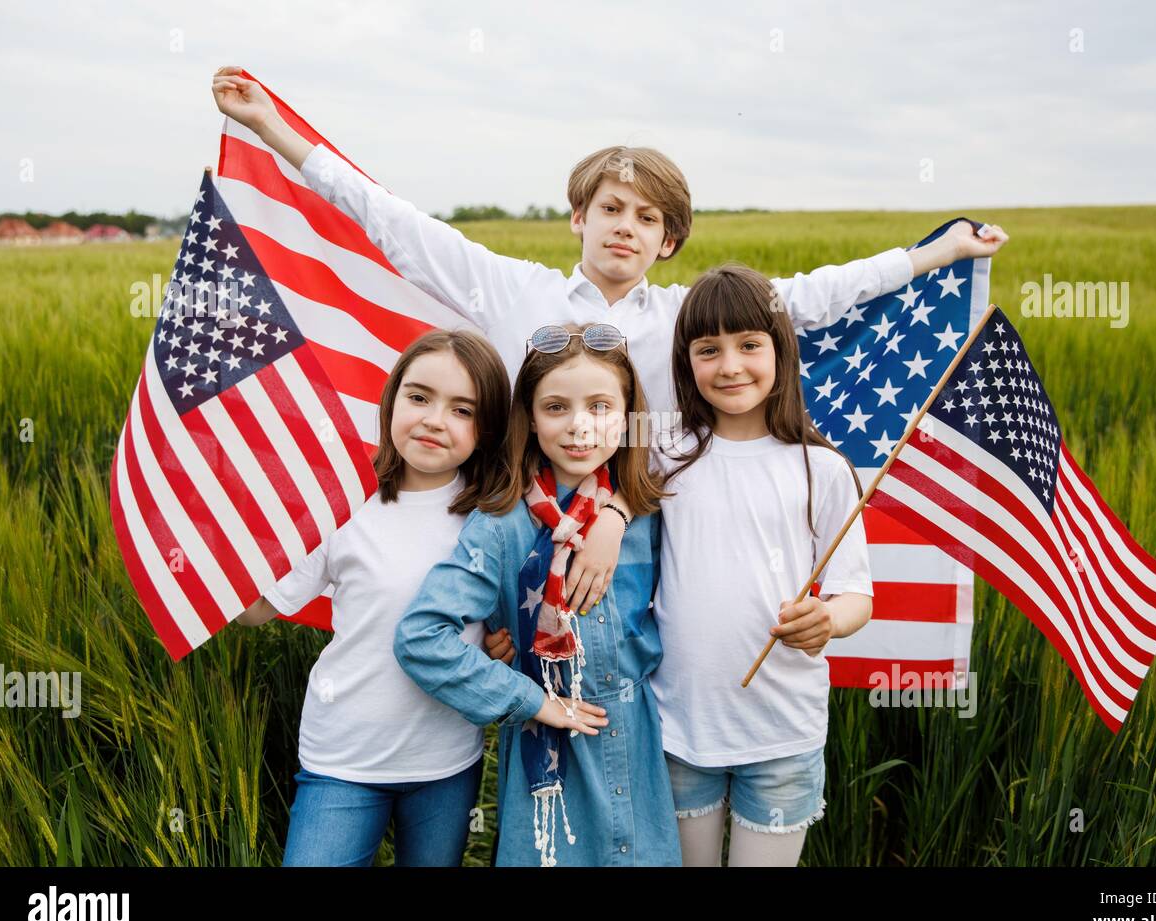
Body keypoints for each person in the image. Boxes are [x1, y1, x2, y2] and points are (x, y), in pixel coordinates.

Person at [211, 65, 1009, 618]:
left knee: (611, 716)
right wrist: (273, 127)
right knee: (495, 702)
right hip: (506, 527)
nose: (626, 227)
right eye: (611, 208)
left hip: (632, 541)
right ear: (578, 218)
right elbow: (391, 219)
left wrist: (936, 254)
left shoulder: (682, 320)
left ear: (668, 241)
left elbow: (812, 297)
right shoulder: (512, 287)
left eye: (648, 217)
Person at [393, 322, 680, 866]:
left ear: (629, 418)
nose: (579, 427)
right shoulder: (502, 524)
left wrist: (617, 514)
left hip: (640, 742)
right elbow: (422, 637)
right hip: (549, 757)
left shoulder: (648, 512)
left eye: (600, 407)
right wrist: (531, 700)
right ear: (529, 416)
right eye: (555, 408)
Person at [234, 329, 512, 866]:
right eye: (419, 397)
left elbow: (511, 620)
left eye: (462, 409)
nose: (434, 419)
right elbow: (256, 610)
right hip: (344, 760)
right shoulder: (343, 503)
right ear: (391, 402)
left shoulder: (493, 518)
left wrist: (501, 642)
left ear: (487, 428)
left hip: (445, 762)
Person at [651, 263, 876, 867]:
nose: (730, 366)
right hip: (680, 730)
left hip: (783, 732)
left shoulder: (821, 468)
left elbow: (857, 593)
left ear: (781, 351)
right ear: (686, 361)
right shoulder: (664, 457)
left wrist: (827, 619)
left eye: (750, 345)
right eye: (709, 349)